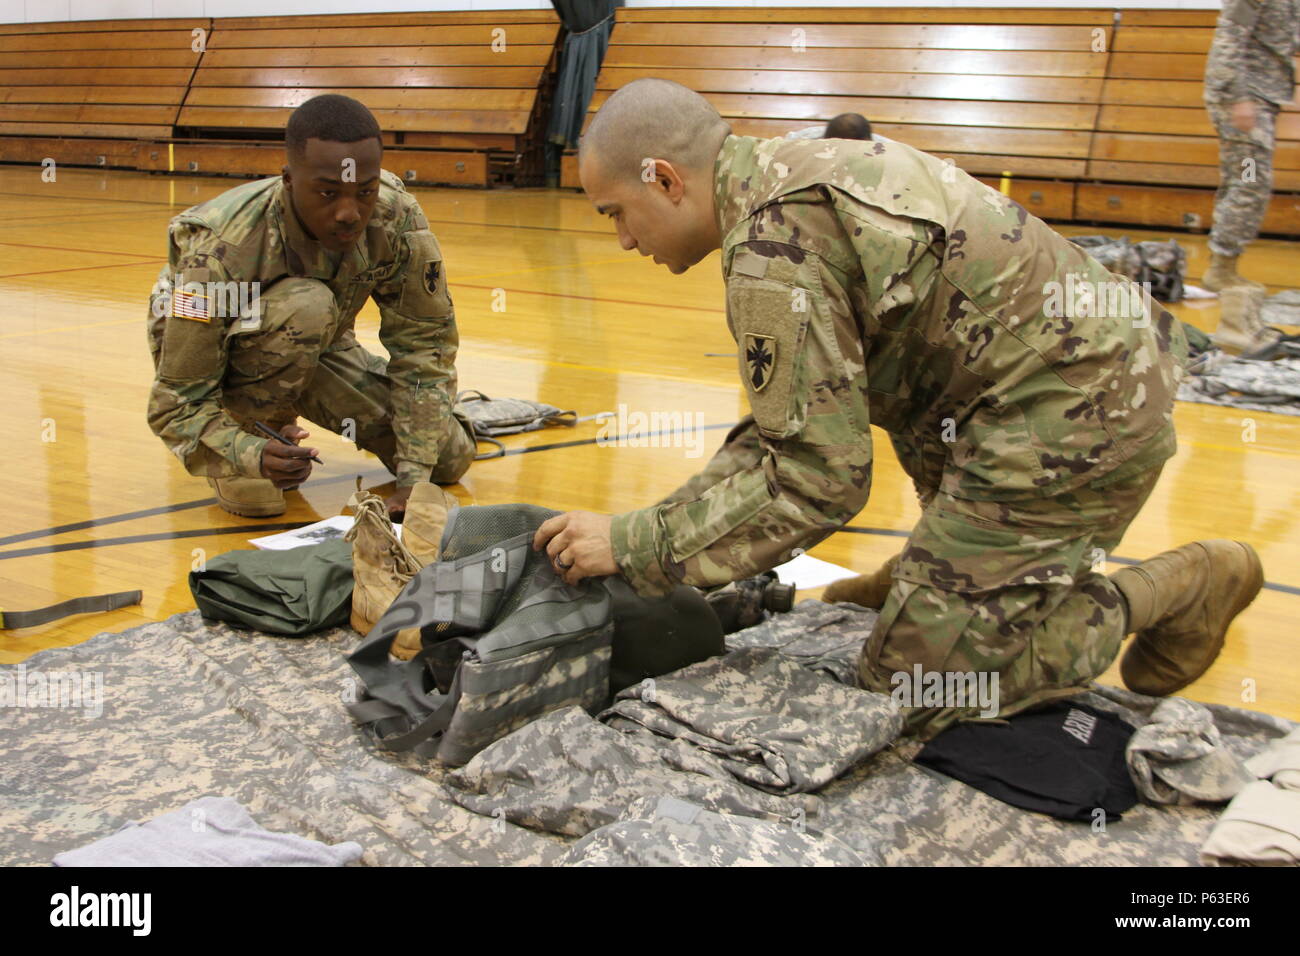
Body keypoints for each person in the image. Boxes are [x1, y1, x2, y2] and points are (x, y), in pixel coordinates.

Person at [533, 78, 1264, 738]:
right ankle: (919, 585)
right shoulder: (786, 173)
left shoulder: (773, 248)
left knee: (914, 686)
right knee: (932, 617)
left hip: (1074, 420)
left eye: (617, 214)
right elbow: (779, 436)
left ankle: (1174, 586)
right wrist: (643, 539)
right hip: (1026, 404)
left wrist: (637, 545)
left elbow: (820, 481)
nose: (624, 239)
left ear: (663, 179)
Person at [146, 94, 475, 519]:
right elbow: (176, 401)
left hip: (320, 343)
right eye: (327, 192)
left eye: (365, 192)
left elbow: (424, 347)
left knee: (447, 456)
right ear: (288, 179)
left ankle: (285, 411)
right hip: (225, 362)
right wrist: (248, 451)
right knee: (261, 499)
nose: (348, 213)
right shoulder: (218, 253)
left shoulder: (395, 219)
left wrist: (415, 478)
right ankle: (252, 426)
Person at [1201, 0, 1298, 293]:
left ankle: (1222, 261)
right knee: (1249, 181)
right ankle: (1221, 267)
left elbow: (1285, 37)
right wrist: (1239, 99)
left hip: (1262, 96)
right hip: (1244, 98)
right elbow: (1229, 38)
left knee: (1242, 181)